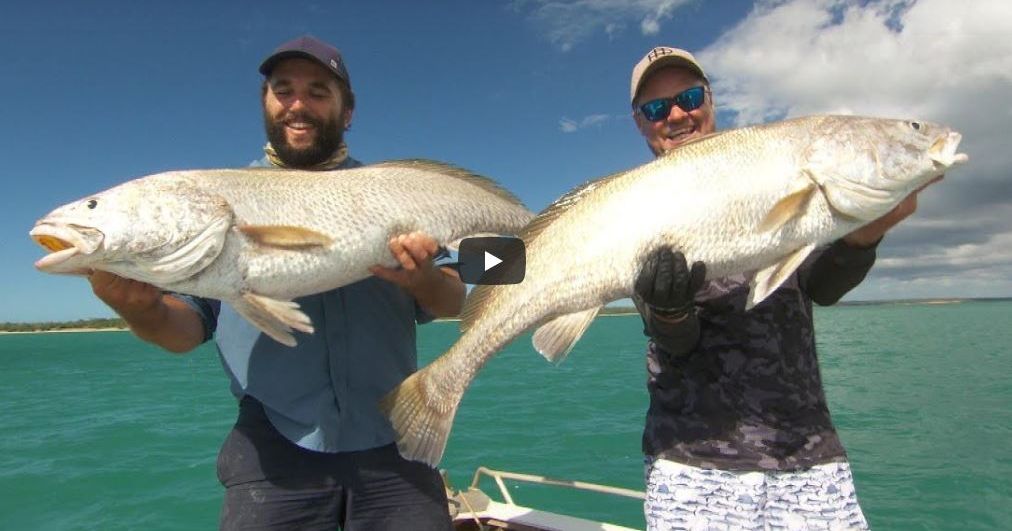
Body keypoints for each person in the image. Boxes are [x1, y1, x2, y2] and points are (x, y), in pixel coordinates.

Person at [88, 35, 461, 530]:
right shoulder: (215, 203)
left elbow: (456, 297)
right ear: (265, 103)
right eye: (283, 91)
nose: (298, 105)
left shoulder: (400, 192)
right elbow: (186, 332)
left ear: (348, 111)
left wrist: (425, 279)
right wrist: (141, 310)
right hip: (273, 446)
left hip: (396, 437)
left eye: (318, 92)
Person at [628, 46, 934, 529]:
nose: (677, 115)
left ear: (710, 99)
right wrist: (668, 310)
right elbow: (676, 342)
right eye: (656, 107)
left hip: (808, 453)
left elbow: (822, 287)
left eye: (688, 97)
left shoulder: (770, 169)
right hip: (693, 461)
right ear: (640, 123)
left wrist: (865, 234)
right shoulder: (635, 207)